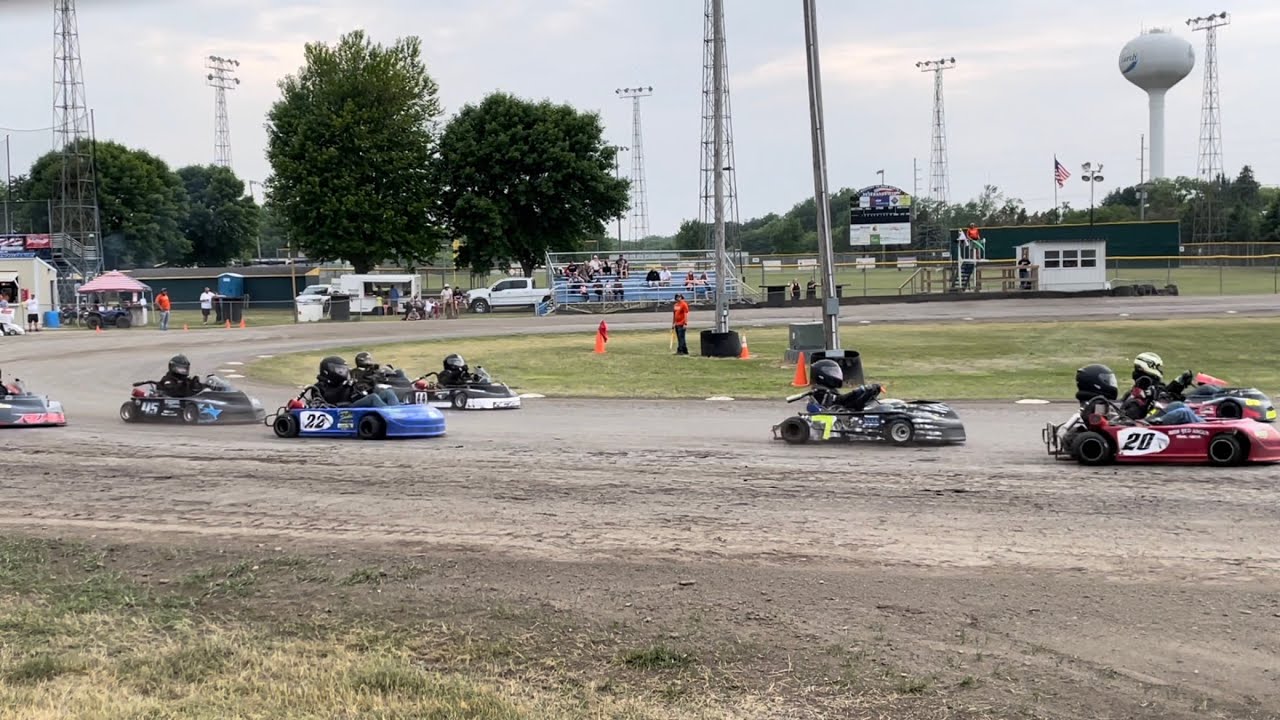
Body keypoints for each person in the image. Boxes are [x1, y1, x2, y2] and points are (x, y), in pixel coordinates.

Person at [1121, 352, 1201, 424]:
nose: (1159, 370)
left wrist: (1178, 383)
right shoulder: (1145, 383)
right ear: (1149, 366)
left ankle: (1205, 425)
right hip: (1147, 423)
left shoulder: (1146, 383)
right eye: (1158, 367)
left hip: (1152, 415)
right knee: (1184, 413)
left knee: (1178, 405)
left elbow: (1163, 392)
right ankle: (1209, 429)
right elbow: (1163, 397)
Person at [313, 356, 399, 407]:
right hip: (343, 409)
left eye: (343, 370)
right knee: (373, 398)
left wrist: (363, 387)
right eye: (339, 370)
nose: (342, 373)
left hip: (353, 402)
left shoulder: (343, 383)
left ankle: (400, 414)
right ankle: (392, 417)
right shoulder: (318, 387)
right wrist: (345, 387)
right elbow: (330, 398)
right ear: (327, 371)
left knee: (388, 393)